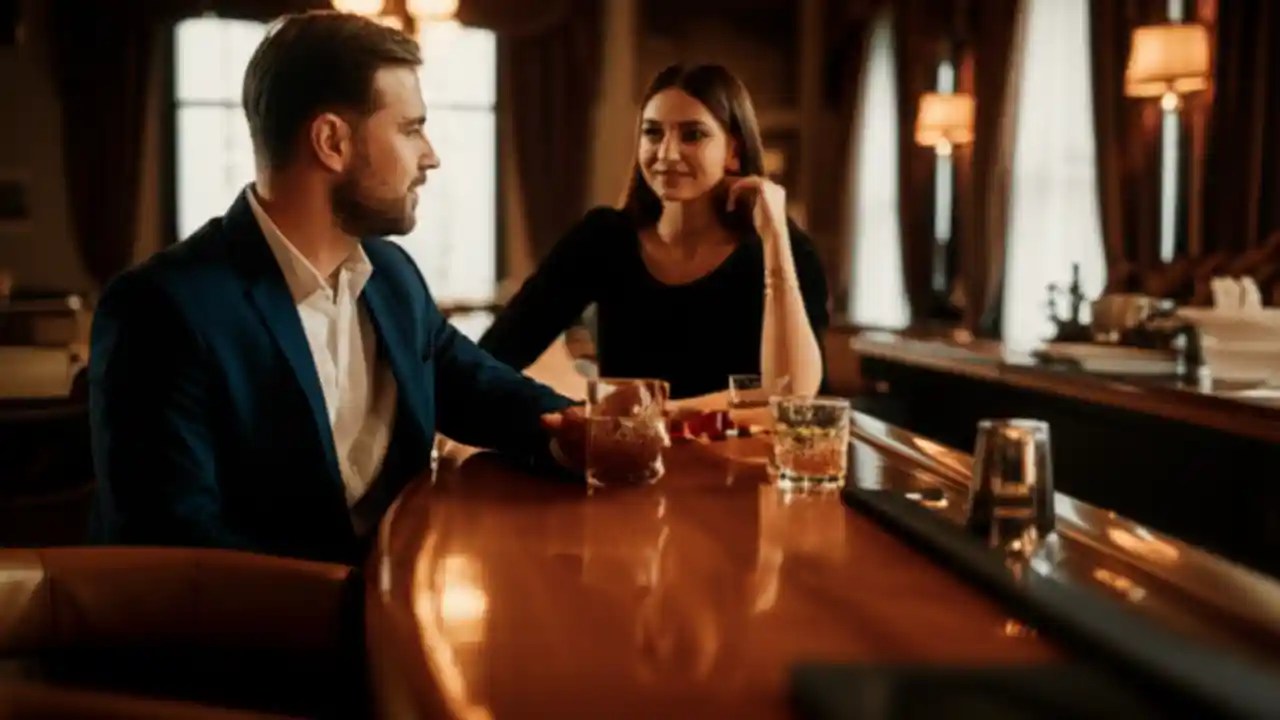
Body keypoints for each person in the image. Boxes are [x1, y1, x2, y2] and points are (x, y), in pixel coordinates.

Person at [88, 11, 587, 564]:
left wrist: (575, 433)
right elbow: (173, 549)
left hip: (399, 602)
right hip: (255, 638)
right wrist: (352, 608)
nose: (431, 156)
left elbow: (472, 385)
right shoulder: (162, 308)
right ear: (332, 141)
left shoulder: (391, 274)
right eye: (410, 128)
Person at [479, 63, 829, 406]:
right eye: (652, 132)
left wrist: (775, 235)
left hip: (743, 459)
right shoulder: (603, 238)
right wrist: (566, 406)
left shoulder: (785, 248)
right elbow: (494, 356)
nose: (667, 153)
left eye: (693, 134)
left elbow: (793, 395)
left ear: (733, 152)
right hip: (629, 458)